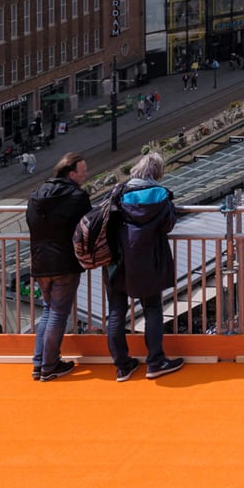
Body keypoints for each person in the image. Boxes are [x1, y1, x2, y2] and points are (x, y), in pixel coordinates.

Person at [109, 151, 184, 380]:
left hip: (119, 260)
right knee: (153, 309)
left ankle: (122, 366)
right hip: (149, 260)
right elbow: (168, 225)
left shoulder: (118, 192)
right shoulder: (161, 195)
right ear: (157, 172)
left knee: (116, 312)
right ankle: (155, 362)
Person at [25, 154, 92, 381]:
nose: (86, 175)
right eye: (83, 171)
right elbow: (87, 226)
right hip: (64, 262)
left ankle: (39, 362)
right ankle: (49, 365)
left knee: (48, 310)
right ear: (71, 174)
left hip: (40, 262)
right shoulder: (77, 196)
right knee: (57, 314)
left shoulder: (36, 196)